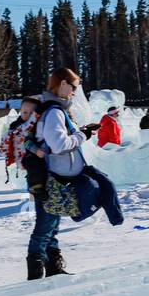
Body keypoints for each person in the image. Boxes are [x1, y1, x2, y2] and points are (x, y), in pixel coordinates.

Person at [29, 68, 101, 279]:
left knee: (52, 227)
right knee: (44, 227)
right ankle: (35, 275)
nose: (74, 93)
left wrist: (81, 132)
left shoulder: (54, 110)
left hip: (55, 179)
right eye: (74, 87)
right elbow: (59, 145)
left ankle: (53, 269)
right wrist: (83, 135)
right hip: (50, 179)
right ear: (62, 84)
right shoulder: (54, 112)